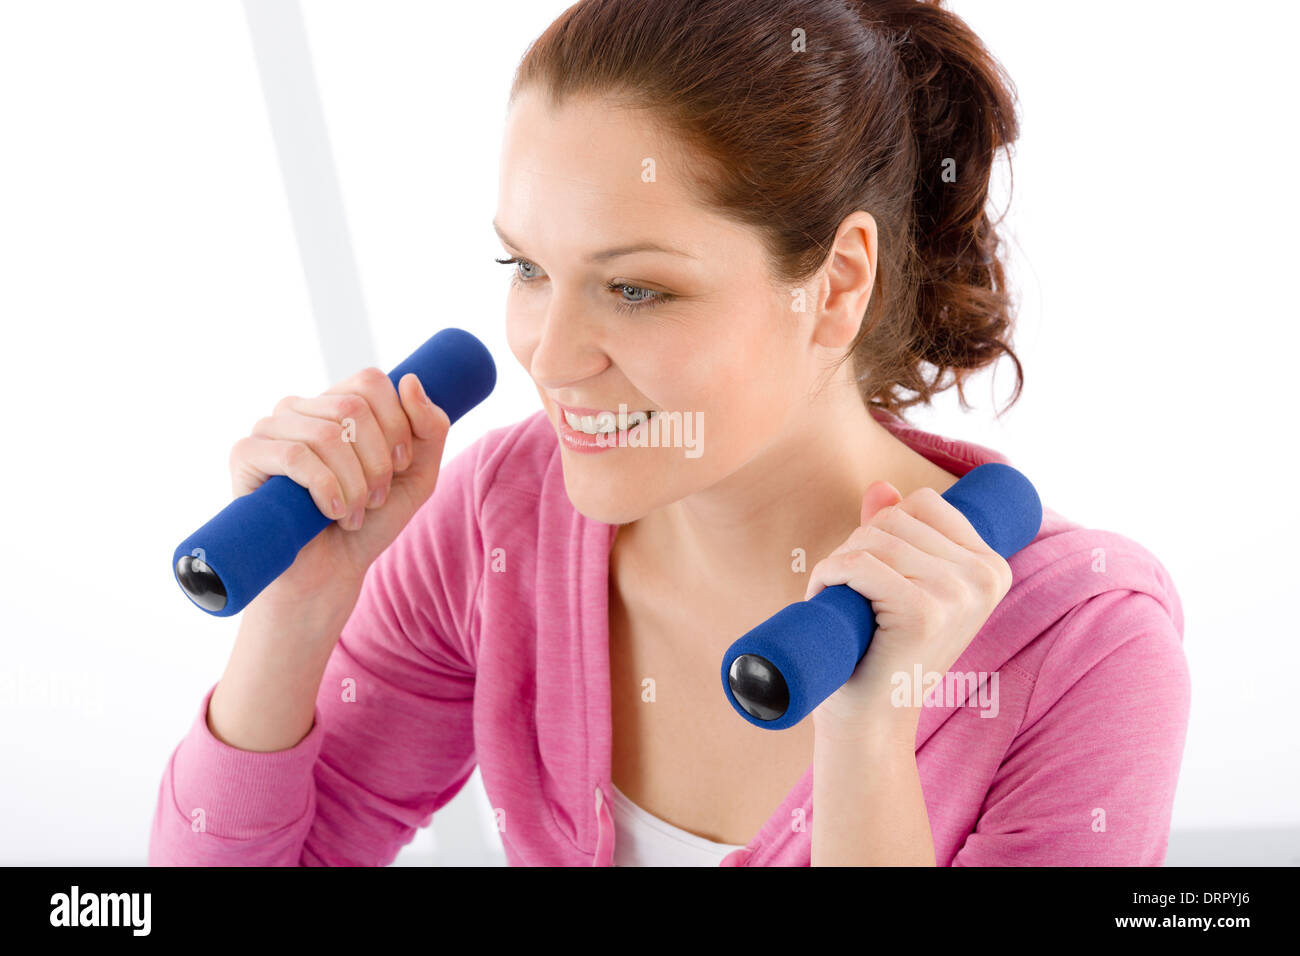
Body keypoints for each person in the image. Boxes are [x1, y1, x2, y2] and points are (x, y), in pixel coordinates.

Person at [148, 0, 1190, 866]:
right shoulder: (505, 511)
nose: (550, 356)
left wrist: (867, 740)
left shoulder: (1088, 649)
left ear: (833, 288)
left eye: (636, 287)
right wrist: (296, 612)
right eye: (527, 268)